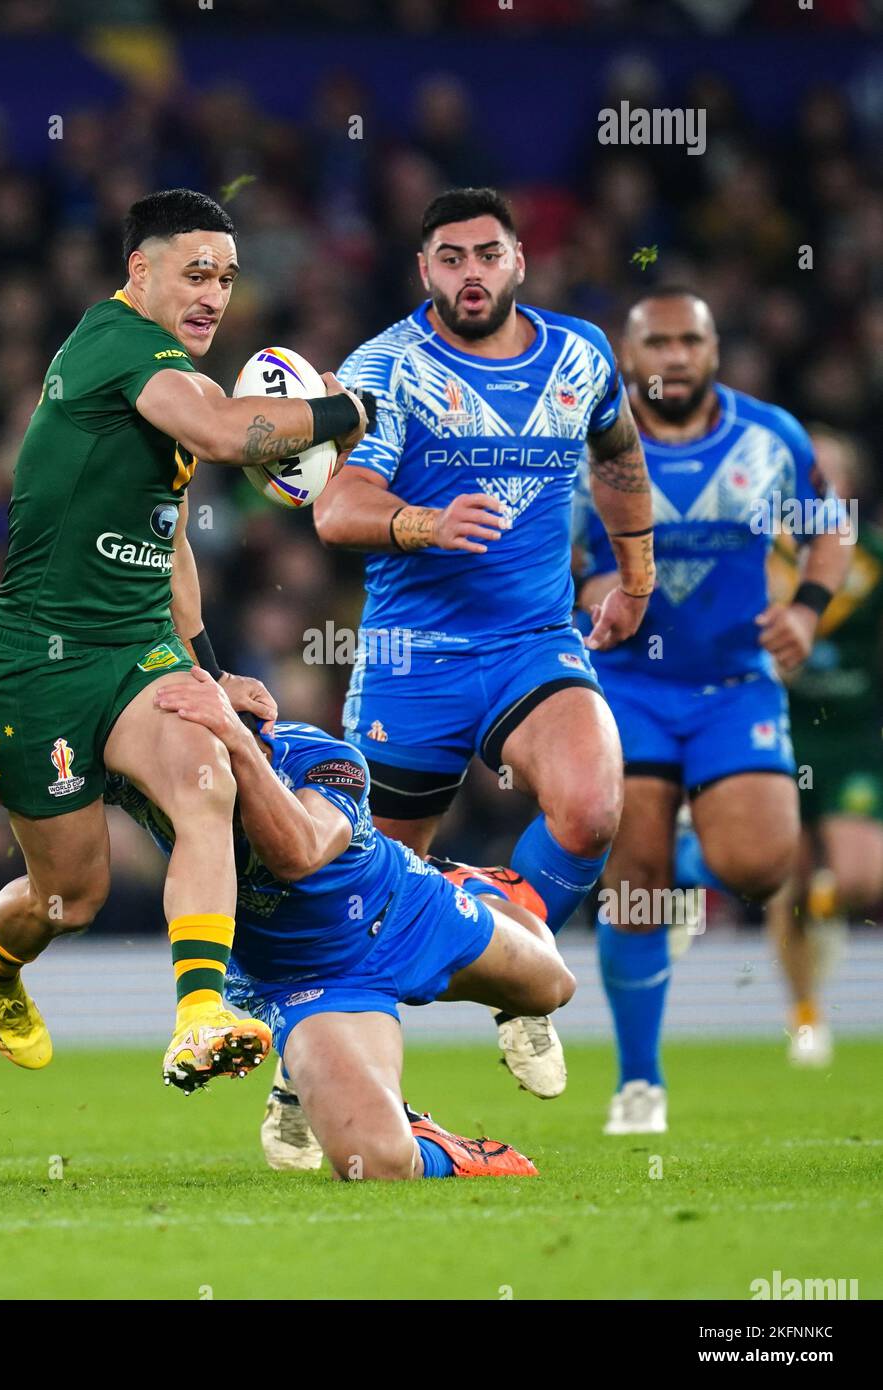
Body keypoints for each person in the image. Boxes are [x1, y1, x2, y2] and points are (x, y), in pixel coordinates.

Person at [0, 187, 367, 1093]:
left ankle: (201, 1012)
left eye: (228, 278)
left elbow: (165, 548)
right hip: (34, 660)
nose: (213, 294)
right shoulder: (117, 347)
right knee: (69, 898)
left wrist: (208, 676)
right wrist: (344, 412)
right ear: (140, 270)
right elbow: (223, 431)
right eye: (195, 272)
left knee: (207, 778)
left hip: (133, 650)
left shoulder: (170, 378)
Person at [0, 674, 575, 1181]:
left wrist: (235, 744)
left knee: (552, 985)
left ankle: (471, 884)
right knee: (376, 1162)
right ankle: (433, 1139)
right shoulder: (158, 773)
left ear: (258, 732)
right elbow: (39, 789)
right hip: (307, 984)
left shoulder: (327, 758)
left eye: (222, 741)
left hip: (407, 911)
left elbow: (300, 851)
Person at [313, 186, 654, 1097]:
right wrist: (424, 523)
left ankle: (519, 970)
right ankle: (299, 1080)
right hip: (409, 662)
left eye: (487, 255)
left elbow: (618, 455)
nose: (472, 274)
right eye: (452, 259)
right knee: (362, 896)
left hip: (530, 642)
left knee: (590, 808)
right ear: (423, 269)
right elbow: (335, 508)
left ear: (518, 261)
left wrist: (637, 575)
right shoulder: (386, 369)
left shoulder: (579, 354)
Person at [572, 289, 850, 1134]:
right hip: (630, 688)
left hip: (735, 685)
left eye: (689, 340)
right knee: (633, 889)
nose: (675, 357)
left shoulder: (769, 435)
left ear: (714, 351)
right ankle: (638, 1083)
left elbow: (827, 527)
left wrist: (803, 608)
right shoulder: (588, 447)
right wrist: (586, 588)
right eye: (657, 342)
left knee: (761, 872)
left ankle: (692, 850)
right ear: (630, 357)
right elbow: (557, 555)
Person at [765, 427, 883, 1067]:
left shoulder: (873, 559)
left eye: (833, 477)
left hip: (853, 730)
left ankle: (827, 905)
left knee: (862, 878)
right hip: (778, 729)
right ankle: (805, 1014)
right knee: (787, 882)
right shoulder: (764, 556)